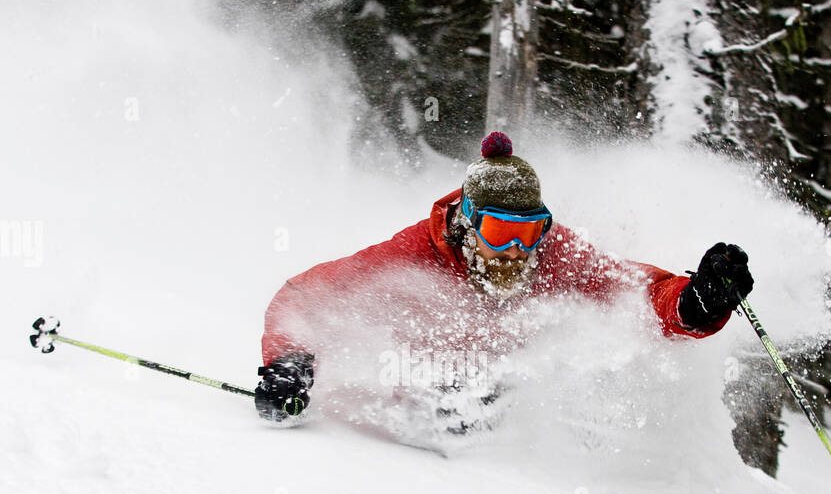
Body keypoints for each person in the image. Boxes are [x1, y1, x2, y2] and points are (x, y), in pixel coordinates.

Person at [256, 131, 753, 422]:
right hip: (420, 417)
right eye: (499, 232)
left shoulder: (554, 255)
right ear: (467, 223)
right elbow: (302, 297)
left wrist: (694, 304)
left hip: (510, 417)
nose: (517, 251)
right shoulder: (411, 256)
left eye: (531, 231)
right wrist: (289, 362)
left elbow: (635, 290)